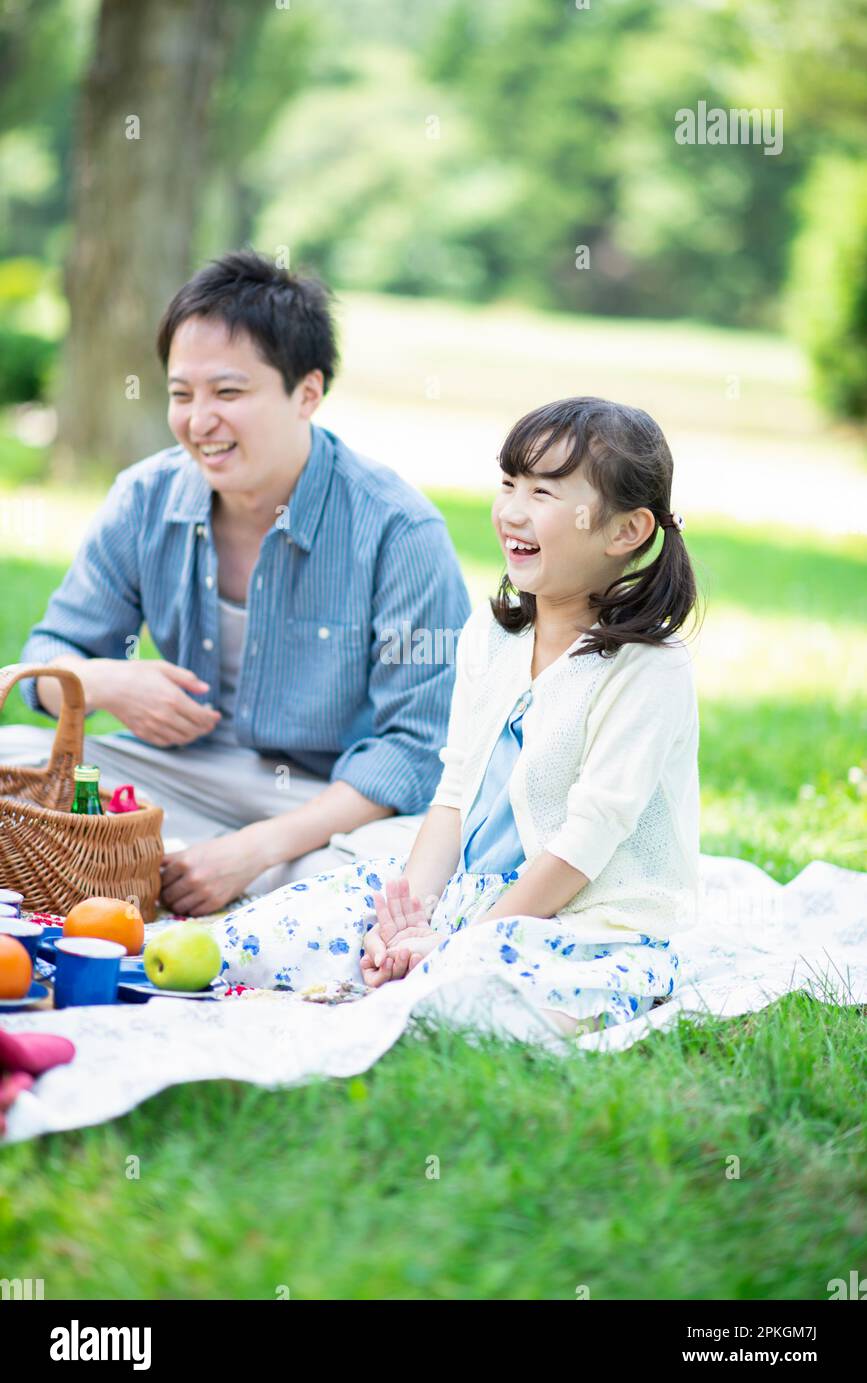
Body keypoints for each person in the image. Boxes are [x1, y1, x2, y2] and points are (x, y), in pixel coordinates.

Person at [215, 395, 702, 1039]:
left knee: (461, 1002)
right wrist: (409, 921)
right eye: (510, 484)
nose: (513, 512)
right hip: (464, 900)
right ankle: (414, 964)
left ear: (625, 531)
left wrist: (453, 946)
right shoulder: (491, 638)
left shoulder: (647, 669)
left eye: (546, 493)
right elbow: (453, 793)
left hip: (583, 923)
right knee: (256, 940)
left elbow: (589, 835)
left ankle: (448, 989)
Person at [0, 251, 471, 914]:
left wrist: (252, 849)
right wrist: (104, 682)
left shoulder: (397, 529)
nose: (198, 422)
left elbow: (418, 749)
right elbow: (46, 660)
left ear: (307, 392)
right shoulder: (145, 498)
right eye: (180, 394)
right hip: (175, 778)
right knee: (11, 760)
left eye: (227, 393)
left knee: (403, 868)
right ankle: (178, 877)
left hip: (329, 806)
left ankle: (180, 877)